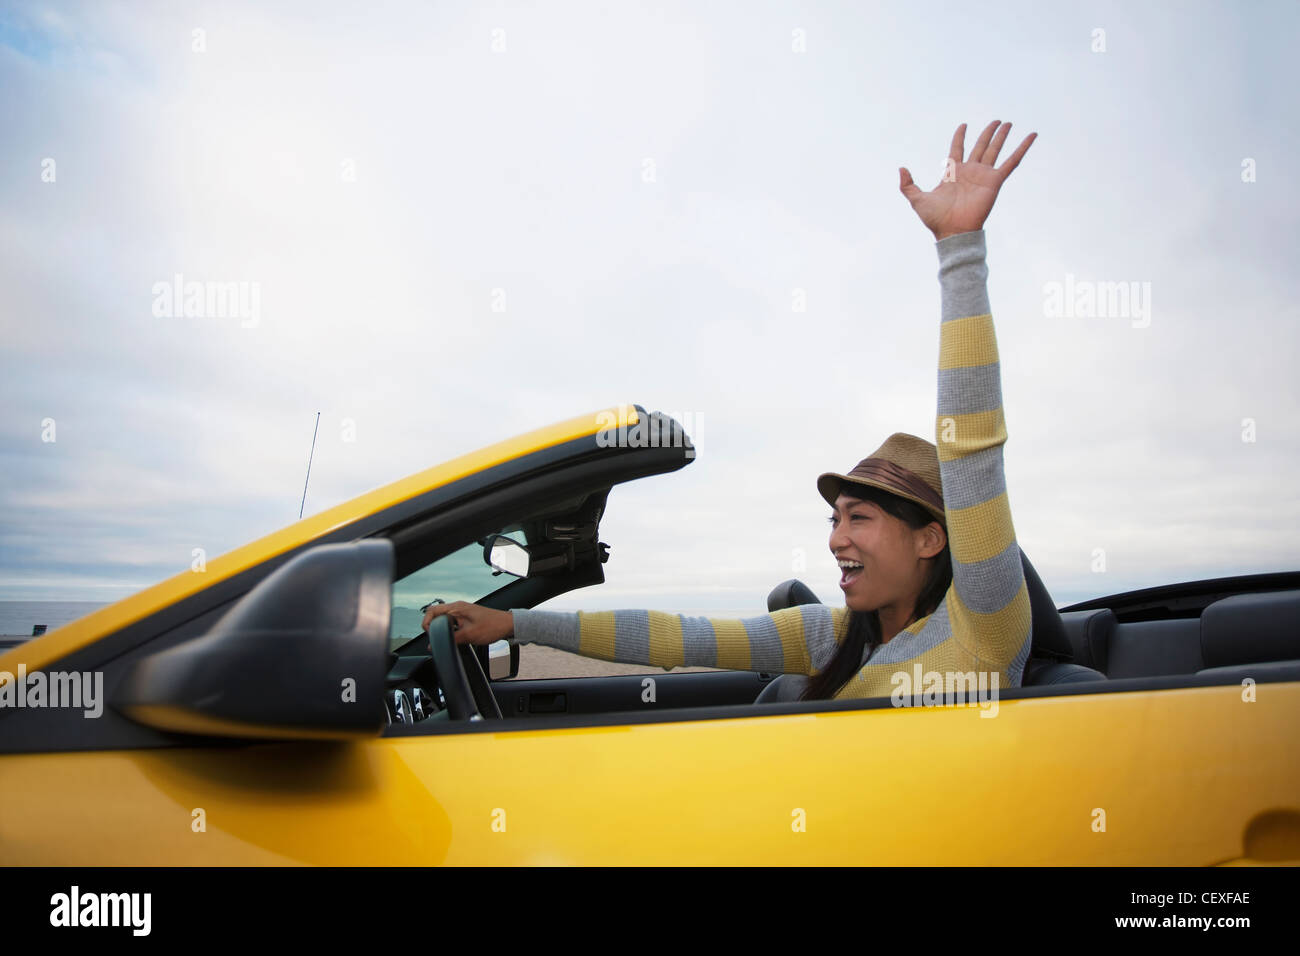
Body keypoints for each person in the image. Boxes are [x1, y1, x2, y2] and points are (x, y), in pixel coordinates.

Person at [425, 119, 1038, 702]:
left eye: (859, 518)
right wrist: (512, 623)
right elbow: (674, 635)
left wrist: (960, 250)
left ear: (931, 536)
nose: (835, 540)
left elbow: (972, 450)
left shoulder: (982, 629)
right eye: (834, 519)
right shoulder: (832, 637)